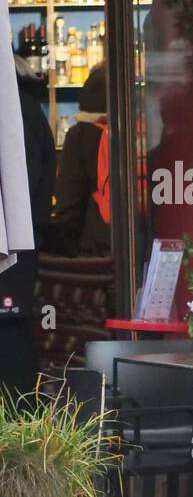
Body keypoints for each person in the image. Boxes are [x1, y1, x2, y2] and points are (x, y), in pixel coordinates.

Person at [0, 57, 56, 399]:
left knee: (12, 341)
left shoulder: (15, 113)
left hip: (13, 251)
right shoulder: (29, 110)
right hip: (20, 249)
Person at [50, 63, 110, 257]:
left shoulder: (80, 136)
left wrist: (66, 253)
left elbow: (69, 203)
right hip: (137, 244)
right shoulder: (137, 132)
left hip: (93, 250)